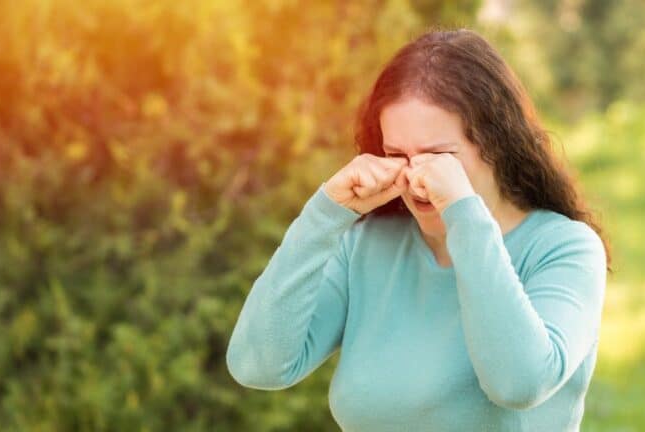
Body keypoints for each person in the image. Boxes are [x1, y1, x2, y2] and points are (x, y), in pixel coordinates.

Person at [226, 27, 612, 431]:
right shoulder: (367, 246)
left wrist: (464, 215)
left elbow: (519, 384)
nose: (415, 177)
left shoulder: (565, 248)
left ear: (496, 145)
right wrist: (324, 215)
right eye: (397, 155)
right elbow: (258, 366)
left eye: (438, 155)